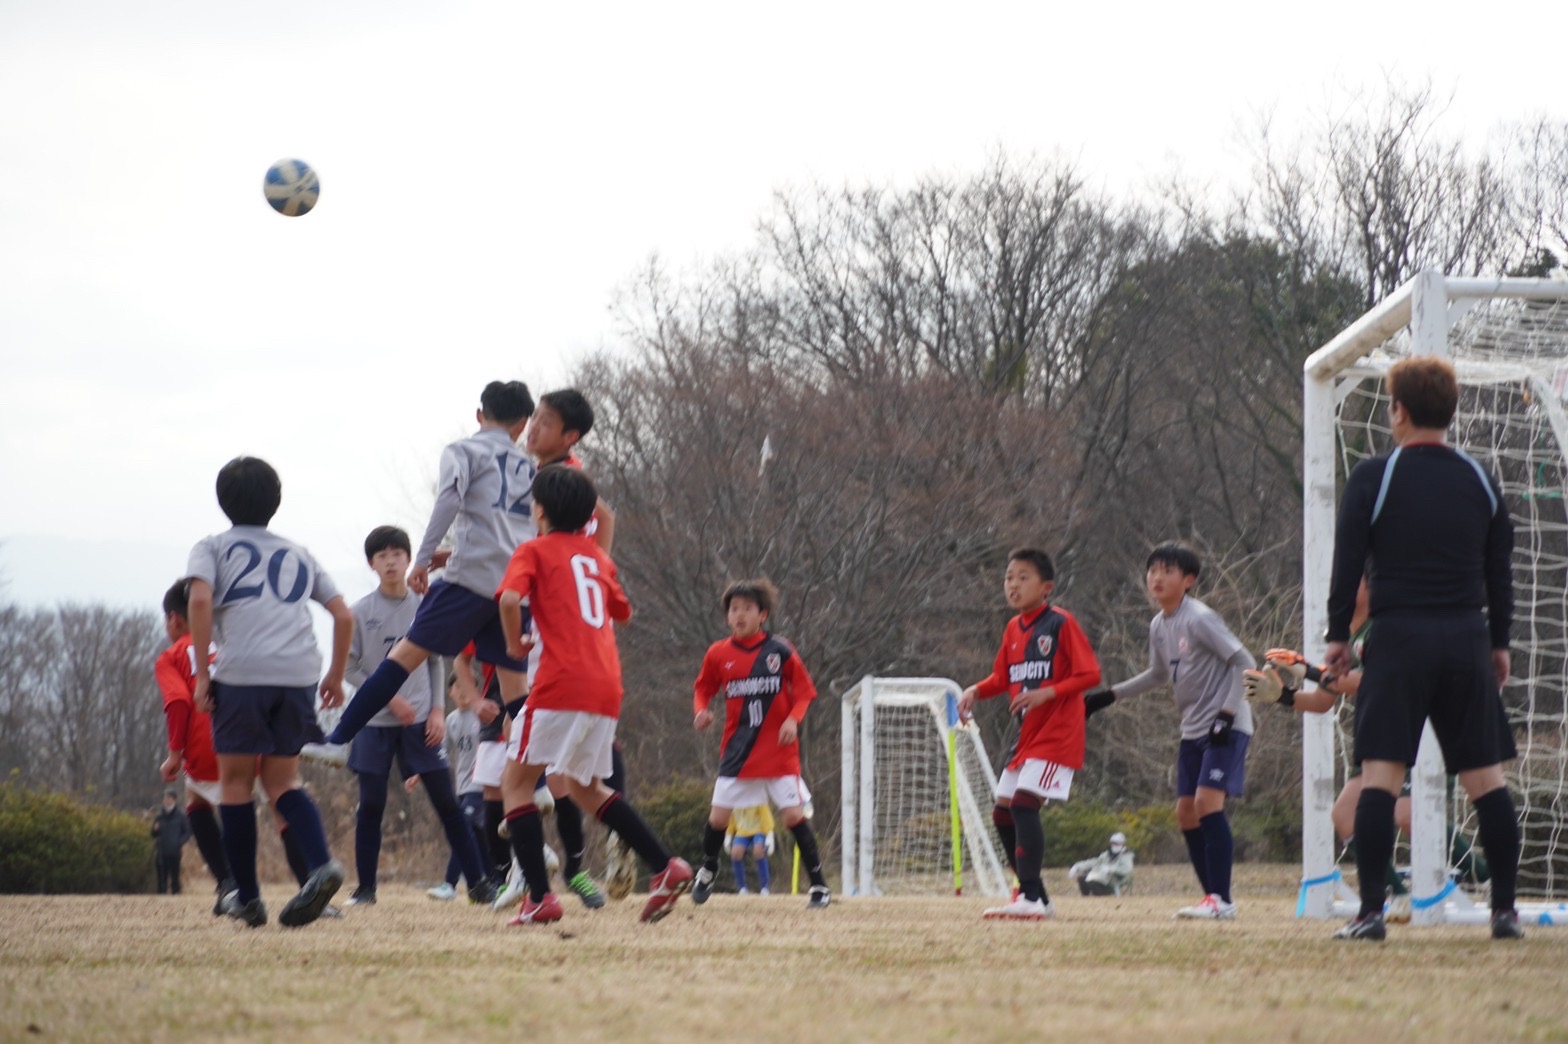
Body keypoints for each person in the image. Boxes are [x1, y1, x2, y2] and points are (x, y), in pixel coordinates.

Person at [1320, 356, 1522, 942]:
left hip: (1399, 639)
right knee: (1487, 782)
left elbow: (1347, 563)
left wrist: (1338, 637)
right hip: (1465, 638)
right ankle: (1504, 913)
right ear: (1450, 412)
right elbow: (1500, 571)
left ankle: (1371, 915)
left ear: (1399, 411)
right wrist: (1499, 643)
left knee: (1379, 779)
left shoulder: (1375, 476)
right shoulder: (1481, 478)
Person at [495, 465, 693, 924]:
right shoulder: (597, 558)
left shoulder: (533, 550)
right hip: (605, 687)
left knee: (516, 783)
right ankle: (666, 866)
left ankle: (540, 898)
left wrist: (513, 643)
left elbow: (507, 600)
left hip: (560, 682)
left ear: (538, 511)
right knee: (585, 787)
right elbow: (623, 611)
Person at [325, 381, 536, 756]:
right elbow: (521, 531)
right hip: (514, 591)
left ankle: (339, 741)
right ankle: (543, 771)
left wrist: (422, 559)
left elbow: (450, 497)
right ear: (522, 425)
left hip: (470, 581)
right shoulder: (532, 469)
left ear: (479, 414)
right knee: (516, 689)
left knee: (403, 657)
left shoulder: (464, 450)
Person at [187, 455, 349, 928]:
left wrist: (203, 674)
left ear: (223, 501)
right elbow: (343, 614)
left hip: (241, 672)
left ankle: (248, 898)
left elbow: (200, 598)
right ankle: (320, 866)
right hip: (298, 672)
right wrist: (335, 676)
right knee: (282, 784)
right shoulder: (298, 551)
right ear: (276, 501)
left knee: (236, 784)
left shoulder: (211, 547)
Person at [1087, 541, 1255, 921]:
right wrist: (1108, 696)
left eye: (1167, 571)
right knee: (1186, 813)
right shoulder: (1158, 625)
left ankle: (1222, 899)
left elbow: (1245, 661)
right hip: (1192, 729)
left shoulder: (1199, 618)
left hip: (1225, 726)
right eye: (1152, 570)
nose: (1157, 577)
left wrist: (1227, 713)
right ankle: (1212, 898)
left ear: (1189, 579)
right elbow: (1158, 674)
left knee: (1206, 804)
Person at [341, 526, 495, 907]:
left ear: (410, 559)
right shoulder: (359, 612)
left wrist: (438, 710)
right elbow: (349, 668)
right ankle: (365, 889)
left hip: (422, 722)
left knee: (447, 803)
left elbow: (435, 660)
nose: (391, 561)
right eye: (382, 556)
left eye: (397, 554)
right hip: (375, 722)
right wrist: (389, 698)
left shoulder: (424, 603)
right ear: (372, 564)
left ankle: (479, 884)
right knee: (371, 805)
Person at [1245, 577, 1414, 923]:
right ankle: (1399, 895)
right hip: (1377, 736)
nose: (1342, 589)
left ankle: (1489, 878)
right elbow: (1323, 700)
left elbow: (1371, 680)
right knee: (1345, 815)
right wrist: (1282, 696)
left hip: (1413, 732)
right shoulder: (1344, 641)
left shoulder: (1383, 626)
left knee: (1406, 815)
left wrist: (1309, 670)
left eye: (1352, 581)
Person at [524, 387, 635, 902]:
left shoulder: (564, 476)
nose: (533, 428)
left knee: (546, 761)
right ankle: (592, 849)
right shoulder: (548, 471)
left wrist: (590, 568)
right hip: (574, 623)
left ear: (569, 435)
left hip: (560, 628)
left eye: (544, 421)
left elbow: (604, 519)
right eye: (533, 418)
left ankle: (564, 868)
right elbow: (605, 519)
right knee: (572, 753)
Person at [957, 548, 1102, 921]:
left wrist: (1047, 693)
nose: (1013, 584)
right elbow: (1003, 677)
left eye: (1024, 577)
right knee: (1003, 813)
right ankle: (1036, 896)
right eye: (1009, 577)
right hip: (1027, 737)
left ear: (1046, 586)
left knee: (1023, 805)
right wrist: (976, 690)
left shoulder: (1060, 623)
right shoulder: (1012, 629)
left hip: (1058, 733)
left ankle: (1030, 898)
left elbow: (1090, 674)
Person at [690, 579, 830, 911]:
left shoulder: (779, 650)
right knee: (718, 819)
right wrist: (700, 711)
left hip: (779, 753)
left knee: (793, 815)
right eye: (733, 609)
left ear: (762, 614)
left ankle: (819, 886)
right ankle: (709, 868)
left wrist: (793, 719)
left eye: (747, 608)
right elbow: (702, 689)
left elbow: (805, 691)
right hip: (738, 753)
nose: (739, 614)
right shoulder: (718, 653)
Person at [154, 577, 235, 913]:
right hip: (250, 736)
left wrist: (174, 754)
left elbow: (178, 703)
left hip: (207, 742)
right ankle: (312, 874)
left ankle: (229, 882)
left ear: (174, 620)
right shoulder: (225, 644)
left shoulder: (171, 657)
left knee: (197, 802)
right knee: (273, 803)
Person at [426, 671, 484, 900]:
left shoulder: (482, 715)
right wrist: (418, 773)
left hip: (481, 786)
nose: (462, 691)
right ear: (450, 691)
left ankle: (449, 885)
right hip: (462, 787)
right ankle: (489, 884)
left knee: (464, 828)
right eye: (458, 686)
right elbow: (440, 753)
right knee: (478, 837)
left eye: (467, 686)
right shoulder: (450, 720)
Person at [723, 804, 775, 895]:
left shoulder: (757, 799)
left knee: (758, 850)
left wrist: (770, 834)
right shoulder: (733, 800)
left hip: (759, 830)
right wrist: (728, 835)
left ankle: (765, 887)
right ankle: (742, 888)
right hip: (742, 832)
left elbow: (766, 816)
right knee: (735, 853)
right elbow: (731, 818)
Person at [151, 790, 192, 895]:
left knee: (175, 876)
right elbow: (153, 834)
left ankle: (175, 896)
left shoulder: (181, 815)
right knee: (161, 877)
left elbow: (187, 832)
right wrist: (155, 830)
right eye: (165, 798)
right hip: (161, 850)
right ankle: (161, 896)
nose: (166, 800)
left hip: (175, 851)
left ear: (174, 800)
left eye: (168, 798)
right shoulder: (159, 815)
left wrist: (179, 842)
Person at [1068, 832, 1134, 896]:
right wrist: (1077, 866)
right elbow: (1095, 862)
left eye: (1117, 843)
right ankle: (1085, 898)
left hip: (1115, 879)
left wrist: (1110, 869)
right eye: (1113, 843)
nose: (1115, 845)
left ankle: (1103, 898)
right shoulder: (1106, 854)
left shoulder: (1126, 855)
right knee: (1082, 878)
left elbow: (1126, 869)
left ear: (1123, 844)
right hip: (1102, 877)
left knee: (1093, 882)